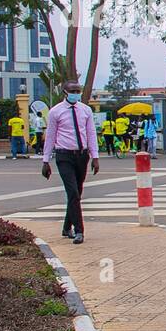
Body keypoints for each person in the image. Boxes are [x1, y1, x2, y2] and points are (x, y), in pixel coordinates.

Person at [41, 80, 99, 244]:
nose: (76, 94)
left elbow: (91, 134)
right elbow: (50, 136)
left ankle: (67, 226)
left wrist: (95, 157)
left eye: (78, 90)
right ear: (65, 93)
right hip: (64, 155)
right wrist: (46, 161)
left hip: (82, 156)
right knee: (72, 192)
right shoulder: (55, 112)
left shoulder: (85, 110)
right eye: (72, 91)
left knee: (77, 193)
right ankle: (79, 231)